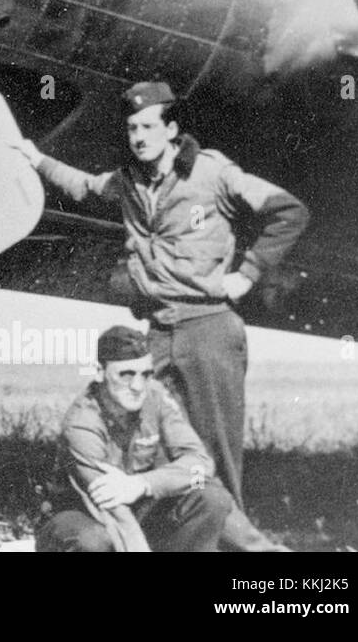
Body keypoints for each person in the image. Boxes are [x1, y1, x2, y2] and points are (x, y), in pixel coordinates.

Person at [19, 81, 308, 551]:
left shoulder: (213, 173)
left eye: (148, 126)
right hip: (157, 332)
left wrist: (248, 275)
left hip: (207, 329)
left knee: (214, 456)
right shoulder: (129, 182)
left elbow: (288, 212)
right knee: (162, 446)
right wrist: (36, 159)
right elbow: (84, 186)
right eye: (131, 127)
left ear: (172, 129)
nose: (138, 136)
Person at [37, 325, 233, 552]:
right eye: (126, 374)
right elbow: (112, 509)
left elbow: (201, 463)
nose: (138, 386)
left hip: (137, 506)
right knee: (92, 541)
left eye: (146, 374)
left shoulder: (155, 395)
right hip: (82, 516)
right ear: (99, 371)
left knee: (211, 496)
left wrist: (143, 484)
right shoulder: (82, 423)